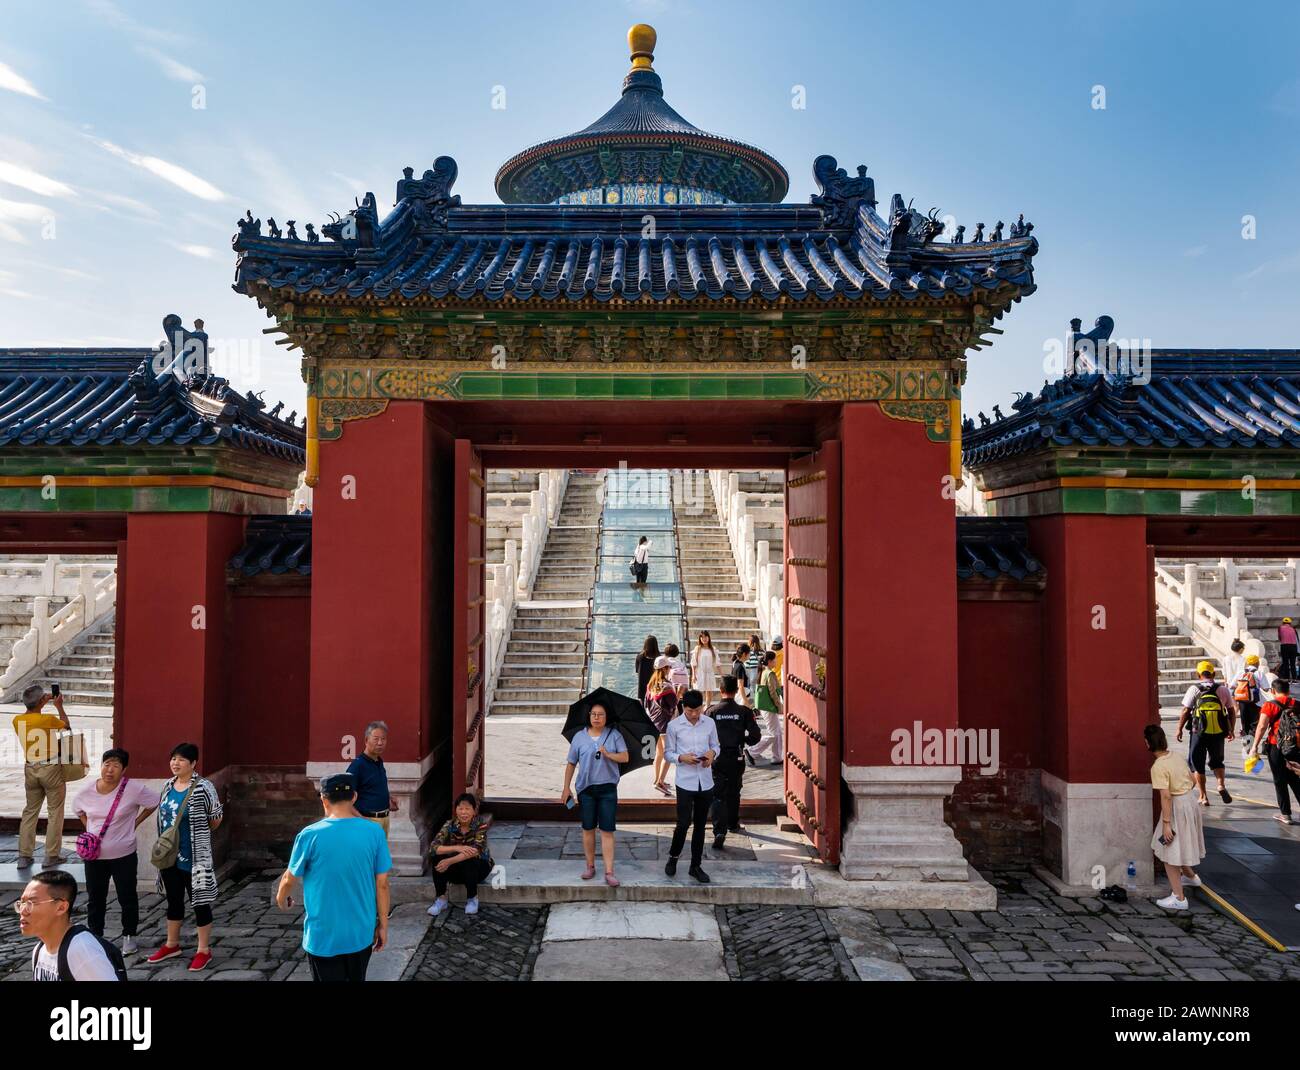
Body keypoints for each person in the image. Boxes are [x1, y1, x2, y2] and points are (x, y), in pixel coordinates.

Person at [277, 773, 391, 982]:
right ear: (354, 797)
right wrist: (383, 925)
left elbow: (289, 879)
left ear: (323, 798)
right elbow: (382, 884)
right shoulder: (374, 832)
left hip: (323, 935)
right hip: (360, 931)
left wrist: (282, 899)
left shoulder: (309, 835)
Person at [72, 748, 157, 955]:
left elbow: (154, 801)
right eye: (106, 764)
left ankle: (129, 936)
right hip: (95, 857)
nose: (110, 770)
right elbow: (79, 810)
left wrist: (134, 823)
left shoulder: (133, 789)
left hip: (124, 854)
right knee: (95, 897)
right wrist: (91, 831)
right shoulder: (87, 790)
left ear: (124, 769)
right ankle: (96, 936)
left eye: (116, 766)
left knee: (127, 896)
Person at [147, 743, 223, 972]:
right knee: (173, 900)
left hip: (195, 856)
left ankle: (203, 950)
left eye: (181, 759)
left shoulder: (203, 787)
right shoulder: (168, 786)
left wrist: (199, 835)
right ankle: (172, 944)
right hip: (169, 855)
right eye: (173, 759)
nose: (175, 763)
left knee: (199, 902)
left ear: (193, 763)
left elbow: (216, 817)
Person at [561, 701, 629, 887]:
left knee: (607, 829)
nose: (597, 717)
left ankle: (609, 871)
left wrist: (608, 755)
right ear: (589, 716)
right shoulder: (579, 737)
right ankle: (590, 866)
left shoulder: (614, 735)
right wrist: (566, 787)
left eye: (601, 714)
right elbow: (571, 763)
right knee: (588, 828)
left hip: (607, 788)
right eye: (594, 714)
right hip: (586, 789)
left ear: (607, 718)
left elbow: (625, 757)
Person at [20, 871, 124, 981]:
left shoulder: (82, 950)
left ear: (61, 907)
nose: (23, 910)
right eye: (22, 903)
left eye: (32, 903)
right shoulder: (39, 951)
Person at [1145, 724, 1205, 912]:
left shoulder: (1158, 766)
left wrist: (1166, 824)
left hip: (1177, 805)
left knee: (1168, 848)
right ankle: (1191, 877)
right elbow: (1194, 780)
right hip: (1190, 801)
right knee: (1180, 843)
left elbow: (1166, 796)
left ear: (1147, 743)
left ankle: (1179, 898)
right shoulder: (1176, 756)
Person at [13, 682, 71, 867]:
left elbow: (33, 718)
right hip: (50, 768)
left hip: (30, 768)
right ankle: (51, 855)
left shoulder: (17, 720)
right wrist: (58, 705)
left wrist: (40, 703)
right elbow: (66, 727)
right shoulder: (48, 720)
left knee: (30, 811)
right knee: (55, 812)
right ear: (40, 701)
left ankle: (24, 855)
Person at [664, 689, 718, 883]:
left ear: (702, 707)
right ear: (683, 708)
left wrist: (712, 754)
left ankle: (696, 865)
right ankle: (673, 857)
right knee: (683, 822)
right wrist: (681, 757)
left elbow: (716, 746)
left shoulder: (709, 723)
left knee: (701, 825)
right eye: (689, 711)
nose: (694, 714)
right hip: (685, 781)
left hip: (705, 781)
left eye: (697, 710)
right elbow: (667, 753)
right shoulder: (674, 726)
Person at [706, 675, 760, 849]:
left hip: (717, 756)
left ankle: (719, 830)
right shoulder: (744, 712)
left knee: (717, 794)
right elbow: (755, 736)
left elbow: (703, 735)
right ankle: (732, 823)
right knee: (734, 790)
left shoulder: (711, 711)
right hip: (736, 756)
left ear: (720, 691)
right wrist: (743, 740)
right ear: (736, 691)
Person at [1175, 661, 1236, 806]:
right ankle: (1220, 785)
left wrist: (1179, 728)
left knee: (1197, 763)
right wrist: (1231, 729)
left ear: (1199, 674)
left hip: (1199, 732)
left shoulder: (1194, 689)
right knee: (1217, 761)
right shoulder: (1223, 690)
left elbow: (1186, 710)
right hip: (1218, 731)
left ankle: (1203, 796)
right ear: (1213, 674)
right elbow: (1231, 711)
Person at [346, 720, 400, 875]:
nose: (380, 743)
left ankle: (377, 897)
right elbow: (346, 798)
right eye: (376, 739)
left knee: (379, 864)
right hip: (368, 820)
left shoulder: (378, 762)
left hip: (384, 819)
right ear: (366, 740)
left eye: (383, 739)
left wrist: (388, 800)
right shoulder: (358, 765)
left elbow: (372, 787)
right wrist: (361, 818)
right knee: (367, 864)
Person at [428, 792, 493, 916]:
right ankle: (441, 900)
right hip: (457, 870)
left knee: (469, 858)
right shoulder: (449, 825)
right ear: (456, 810)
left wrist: (449, 861)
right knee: (437, 856)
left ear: (474, 811)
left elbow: (476, 850)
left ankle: (472, 899)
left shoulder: (481, 825)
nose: (464, 812)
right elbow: (433, 847)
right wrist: (457, 848)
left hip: (479, 869)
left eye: (467, 809)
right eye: (460, 808)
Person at [1251, 677, 1300, 826]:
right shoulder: (1296, 703)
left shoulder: (1269, 705)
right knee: (1296, 780)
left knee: (1280, 780)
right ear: (1288, 690)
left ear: (1273, 691)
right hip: (1295, 747)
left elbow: (1262, 726)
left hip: (1276, 746)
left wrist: (1254, 746)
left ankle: (1286, 815)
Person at [645, 656, 678, 797]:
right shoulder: (668, 687)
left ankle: (656, 779)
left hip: (653, 723)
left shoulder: (650, 685)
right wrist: (679, 693)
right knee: (669, 754)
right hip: (665, 724)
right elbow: (673, 705)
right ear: (664, 669)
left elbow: (646, 704)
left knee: (659, 753)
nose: (670, 669)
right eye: (669, 667)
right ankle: (660, 781)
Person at [747, 650, 785, 767]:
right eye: (774, 660)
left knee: (777, 732)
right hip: (769, 707)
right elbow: (773, 693)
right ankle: (752, 751)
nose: (776, 661)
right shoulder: (770, 674)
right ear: (769, 661)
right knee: (774, 734)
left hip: (765, 707)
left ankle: (777, 757)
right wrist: (780, 706)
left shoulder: (763, 672)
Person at [1231, 654, 1271, 755]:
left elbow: (1232, 685)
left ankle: (1246, 745)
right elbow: (1266, 688)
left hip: (1242, 702)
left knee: (1245, 724)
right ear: (1257, 663)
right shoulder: (1259, 673)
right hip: (1255, 703)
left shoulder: (1241, 672)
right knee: (1255, 725)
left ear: (1248, 663)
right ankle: (1252, 746)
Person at [690, 631, 719, 705]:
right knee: (698, 691)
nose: (704, 639)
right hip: (700, 672)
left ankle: (707, 706)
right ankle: (698, 706)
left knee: (709, 691)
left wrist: (722, 674)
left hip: (709, 672)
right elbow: (693, 663)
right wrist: (693, 675)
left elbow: (717, 663)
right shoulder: (697, 648)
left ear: (708, 637)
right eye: (702, 637)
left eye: (706, 637)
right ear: (700, 638)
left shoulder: (713, 649)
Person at [635, 635, 661, 704]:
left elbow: (637, 671)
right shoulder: (659, 658)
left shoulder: (639, 657)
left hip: (642, 689)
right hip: (656, 688)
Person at [731, 643, 752, 709]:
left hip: (738, 694)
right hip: (740, 697)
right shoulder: (740, 667)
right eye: (749, 653)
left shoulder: (735, 663)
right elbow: (740, 685)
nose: (750, 655)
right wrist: (746, 701)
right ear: (744, 654)